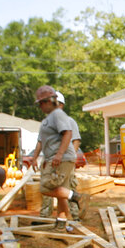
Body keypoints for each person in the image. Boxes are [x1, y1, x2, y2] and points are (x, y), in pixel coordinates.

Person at [22, 85, 90, 231]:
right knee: (61, 192)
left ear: (50, 101)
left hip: (60, 159)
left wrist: (59, 155)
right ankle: (61, 222)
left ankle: (78, 197)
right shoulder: (48, 119)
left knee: (45, 188)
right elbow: (41, 141)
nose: (40, 106)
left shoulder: (58, 115)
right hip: (55, 158)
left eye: (41, 103)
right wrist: (35, 158)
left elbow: (69, 134)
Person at [39, 91, 82, 219]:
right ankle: (48, 216)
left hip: (64, 160)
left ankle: (74, 215)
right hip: (52, 159)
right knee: (52, 189)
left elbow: (75, 140)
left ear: (61, 105)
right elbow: (42, 142)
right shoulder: (47, 122)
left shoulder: (68, 121)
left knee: (66, 187)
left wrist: (69, 159)